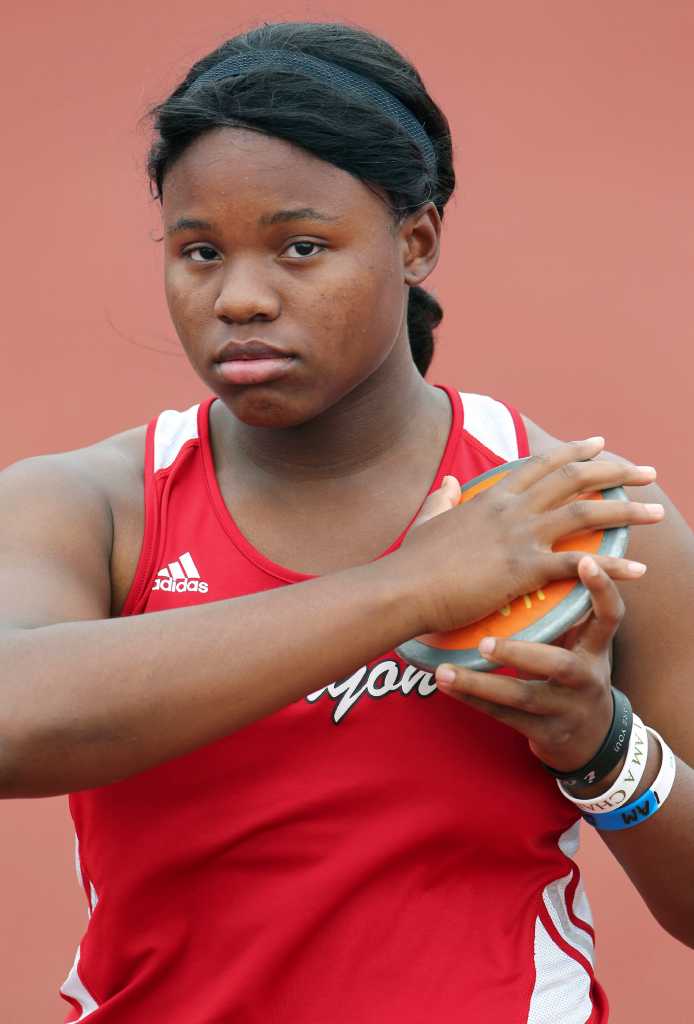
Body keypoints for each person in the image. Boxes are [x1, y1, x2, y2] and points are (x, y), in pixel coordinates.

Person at [1, 19, 691, 1024]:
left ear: (414, 242)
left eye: (300, 247)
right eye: (199, 252)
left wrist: (596, 743)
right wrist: (412, 586)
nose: (239, 297)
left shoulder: (580, 519)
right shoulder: (92, 504)